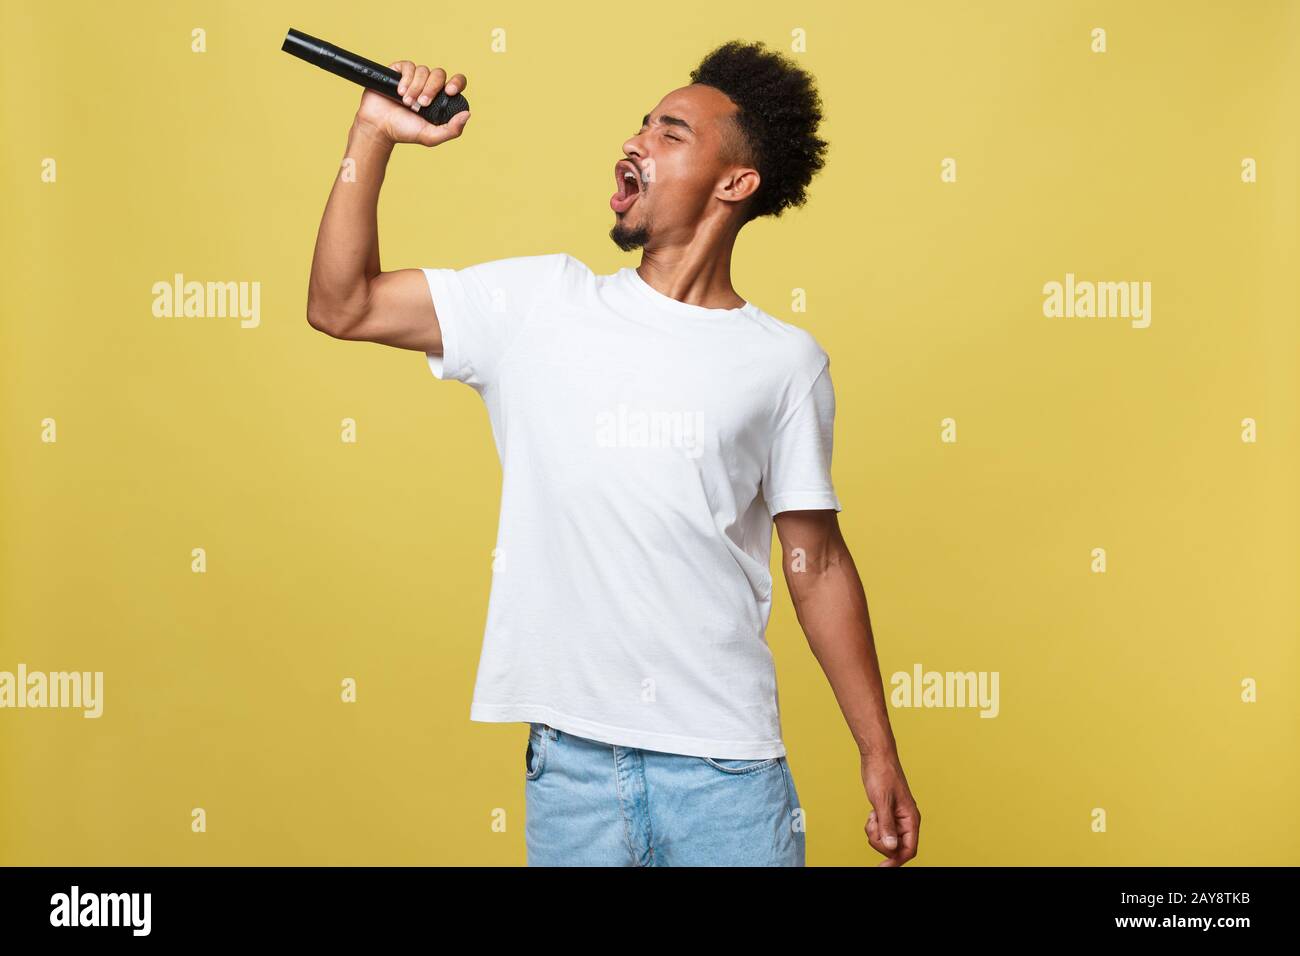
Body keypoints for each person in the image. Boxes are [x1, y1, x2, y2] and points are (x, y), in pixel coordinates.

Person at [304, 39, 919, 867]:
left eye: (670, 134)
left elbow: (818, 565)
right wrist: (372, 135)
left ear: (736, 184)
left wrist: (877, 750)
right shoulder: (538, 307)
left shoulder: (784, 363)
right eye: (639, 127)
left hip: (725, 776)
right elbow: (342, 304)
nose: (635, 142)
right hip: (572, 776)